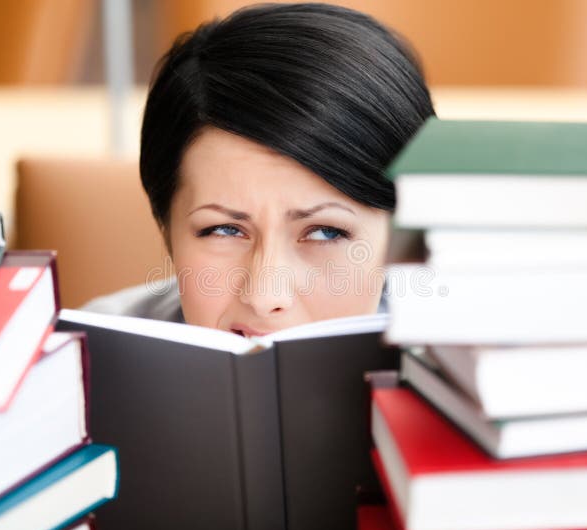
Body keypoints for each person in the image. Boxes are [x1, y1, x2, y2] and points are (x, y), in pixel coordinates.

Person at [85, 2, 434, 335]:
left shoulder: (472, 369)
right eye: (224, 230)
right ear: (167, 230)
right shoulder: (81, 364)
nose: (266, 297)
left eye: (326, 232)